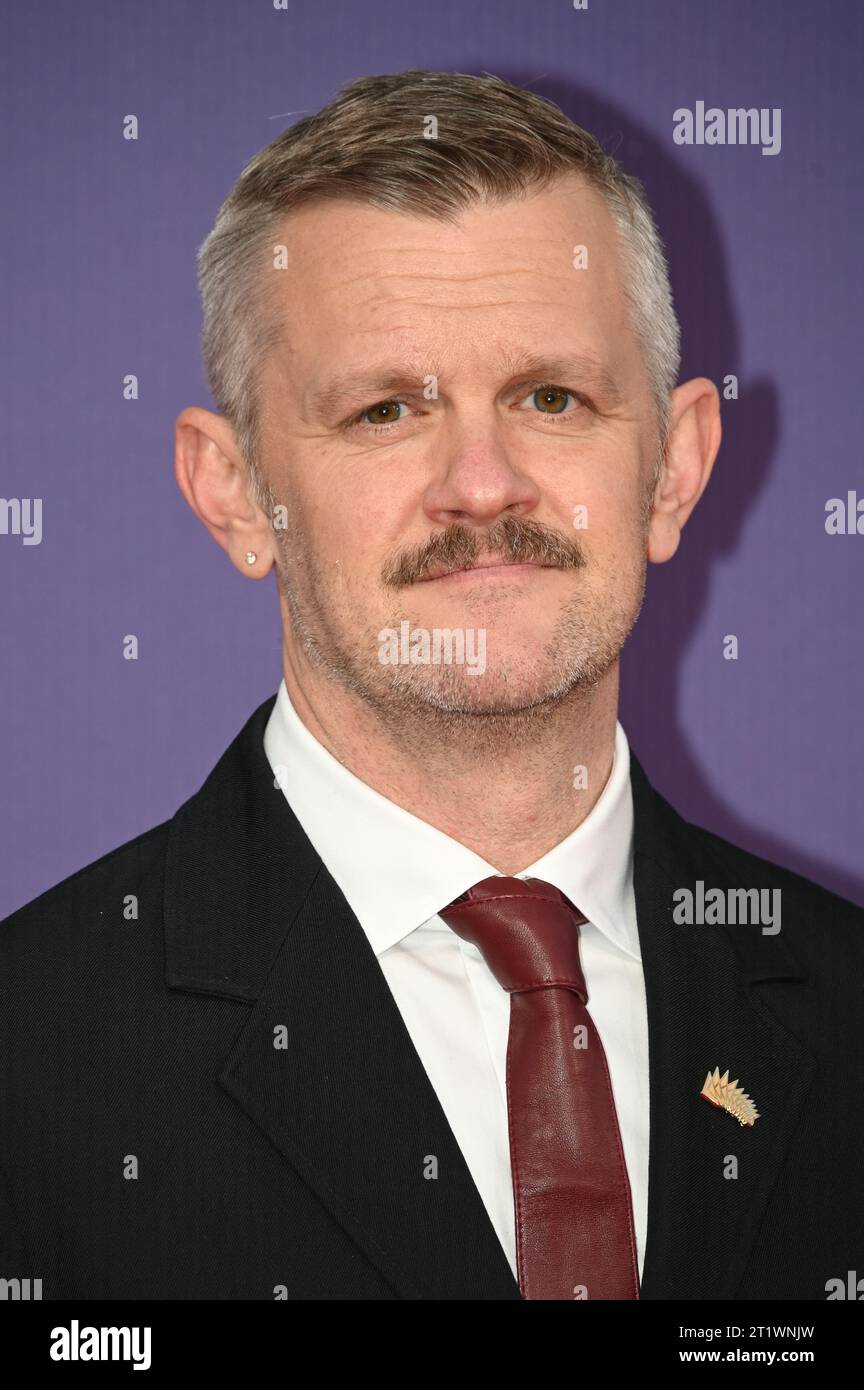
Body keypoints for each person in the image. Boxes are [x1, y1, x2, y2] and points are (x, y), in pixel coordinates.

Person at [1, 70, 862, 1301]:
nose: (482, 484)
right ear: (235, 491)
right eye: (387, 410)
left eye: (552, 397)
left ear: (672, 471)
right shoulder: (27, 1060)